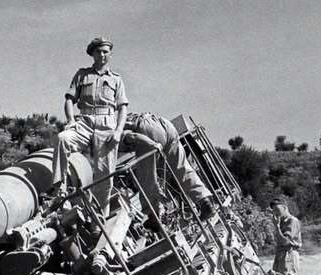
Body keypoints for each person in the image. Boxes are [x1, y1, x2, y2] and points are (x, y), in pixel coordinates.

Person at [53, 37, 128, 217]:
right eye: (98, 51)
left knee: (105, 174)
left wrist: (118, 131)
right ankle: (60, 190)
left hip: (106, 126)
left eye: (105, 51)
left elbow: (122, 107)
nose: (101, 55)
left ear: (110, 54)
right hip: (84, 122)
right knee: (62, 139)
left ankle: (101, 215)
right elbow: (69, 99)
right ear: (92, 54)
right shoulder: (82, 75)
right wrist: (71, 120)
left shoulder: (117, 79)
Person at [119, 111, 215, 221]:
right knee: (182, 168)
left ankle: (153, 217)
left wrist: (153, 144)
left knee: (147, 178)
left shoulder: (105, 136)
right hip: (165, 125)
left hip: (146, 131)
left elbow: (133, 136)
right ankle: (205, 203)